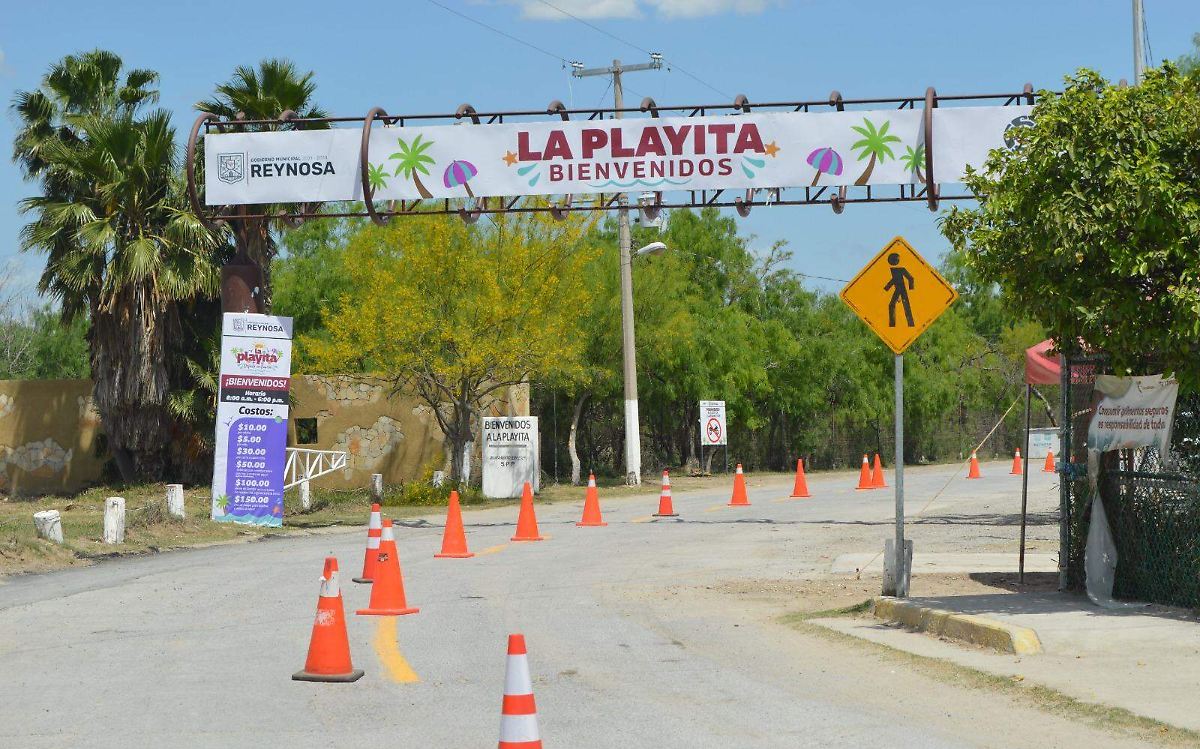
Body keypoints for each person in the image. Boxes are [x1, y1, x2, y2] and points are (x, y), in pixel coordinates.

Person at [884, 253, 915, 327]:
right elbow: (894, 279)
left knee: (905, 306)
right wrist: (887, 287)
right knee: (892, 305)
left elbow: (911, 278)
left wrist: (911, 289)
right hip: (898, 289)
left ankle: (910, 324)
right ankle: (892, 325)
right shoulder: (894, 270)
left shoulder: (901, 269)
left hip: (901, 289)